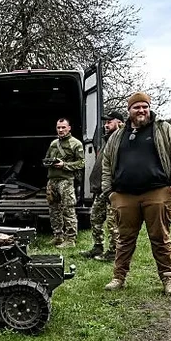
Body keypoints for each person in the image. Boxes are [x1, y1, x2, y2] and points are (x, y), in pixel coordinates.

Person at [101, 91, 171, 296]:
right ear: (129, 110)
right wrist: (109, 193)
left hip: (157, 192)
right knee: (124, 239)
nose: (141, 110)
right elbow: (106, 164)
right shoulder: (117, 136)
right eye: (136, 107)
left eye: (144, 106)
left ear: (149, 108)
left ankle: (168, 278)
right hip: (124, 195)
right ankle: (118, 277)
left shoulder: (163, 129)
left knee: (160, 237)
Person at [82, 111, 124, 259]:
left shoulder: (121, 140)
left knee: (113, 223)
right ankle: (97, 247)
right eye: (105, 122)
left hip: (112, 189)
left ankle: (113, 252)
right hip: (101, 189)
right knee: (95, 218)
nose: (106, 125)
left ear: (119, 122)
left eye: (109, 122)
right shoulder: (108, 140)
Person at [45, 118, 85, 248]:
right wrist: (48, 162)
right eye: (58, 127)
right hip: (52, 181)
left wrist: (64, 165)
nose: (61, 130)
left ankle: (70, 239)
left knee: (68, 209)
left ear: (69, 128)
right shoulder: (53, 143)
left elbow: (82, 163)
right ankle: (58, 236)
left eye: (63, 127)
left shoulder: (76, 144)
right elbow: (47, 158)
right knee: (54, 210)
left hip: (66, 181)